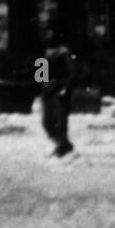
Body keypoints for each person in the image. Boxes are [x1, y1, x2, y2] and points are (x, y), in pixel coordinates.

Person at [40, 29, 77, 157]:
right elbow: (41, 73)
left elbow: (70, 72)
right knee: (47, 121)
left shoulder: (63, 53)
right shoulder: (45, 53)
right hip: (48, 91)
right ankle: (62, 143)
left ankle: (63, 145)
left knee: (59, 120)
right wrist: (43, 87)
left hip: (59, 91)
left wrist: (64, 87)